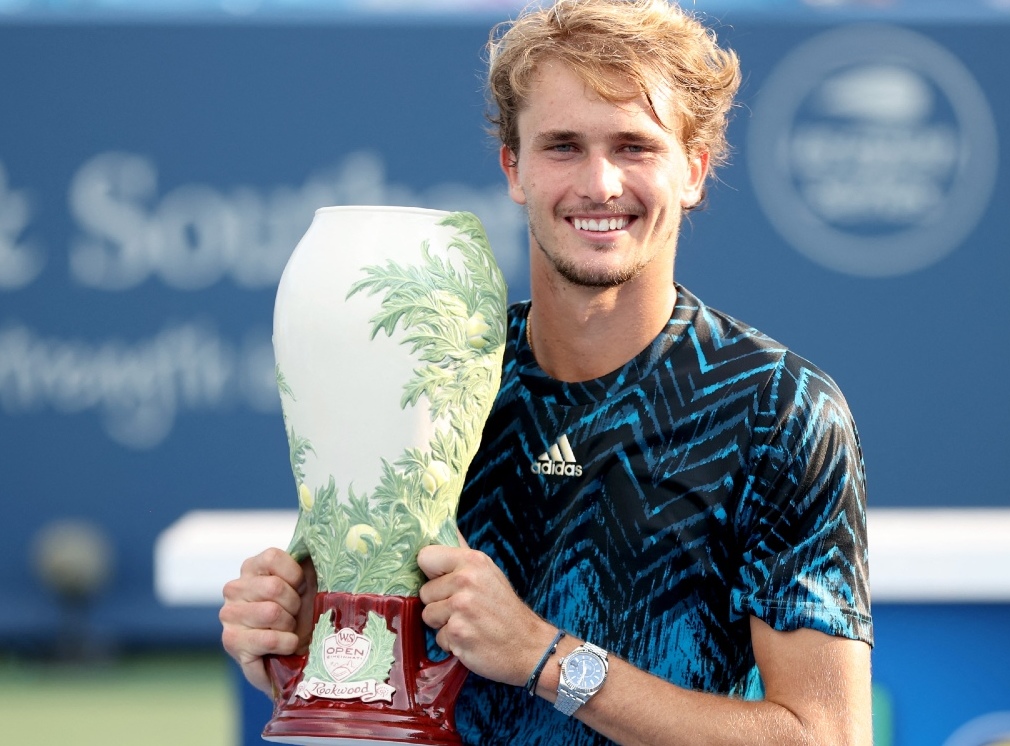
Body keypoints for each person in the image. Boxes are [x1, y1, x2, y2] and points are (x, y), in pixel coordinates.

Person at [220, 1, 873, 744]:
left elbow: (824, 736)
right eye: (563, 146)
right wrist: (300, 643)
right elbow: (372, 686)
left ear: (693, 169)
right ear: (514, 168)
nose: (599, 183)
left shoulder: (779, 411)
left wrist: (545, 658)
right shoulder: (430, 375)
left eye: (634, 146)